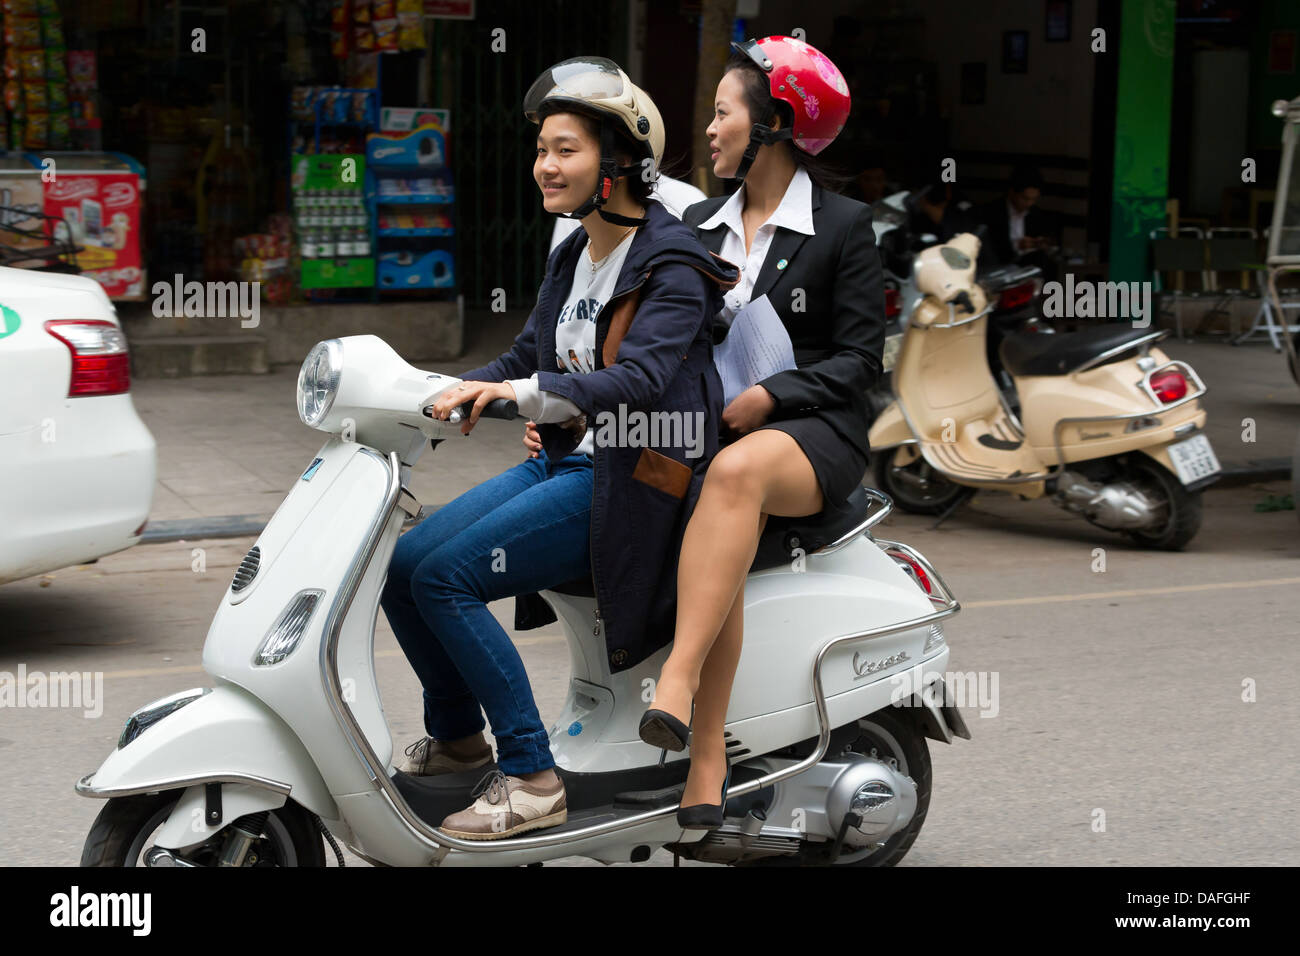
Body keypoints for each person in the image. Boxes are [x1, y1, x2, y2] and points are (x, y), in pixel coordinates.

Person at [380, 57, 738, 840]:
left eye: (566, 149)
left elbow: (641, 379)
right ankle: (458, 739)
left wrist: (524, 394)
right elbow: (522, 359)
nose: (546, 164)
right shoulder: (573, 254)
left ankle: (531, 777)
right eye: (543, 148)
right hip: (573, 461)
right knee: (401, 568)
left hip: (638, 475)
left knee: (447, 578)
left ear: (617, 163)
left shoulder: (674, 264)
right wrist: (430, 390)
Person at [638, 36, 886, 828]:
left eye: (722, 113)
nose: (707, 130)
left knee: (734, 476)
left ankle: (683, 698)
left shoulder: (844, 226)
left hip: (814, 434)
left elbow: (860, 360)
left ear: (773, 124)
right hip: (712, 436)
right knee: (673, 495)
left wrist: (773, 395)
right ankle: (702, 753)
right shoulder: (699, 223)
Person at [974, 163, 1058, 273]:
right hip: (999, 269)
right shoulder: (992, 213)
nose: (1029, 203)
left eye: (1033, 199)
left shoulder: (1036, 215)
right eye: (1025, 199)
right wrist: (1017, 247)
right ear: (1012, 192)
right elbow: (989, 250)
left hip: (1028, 270)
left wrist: (1040, 244)